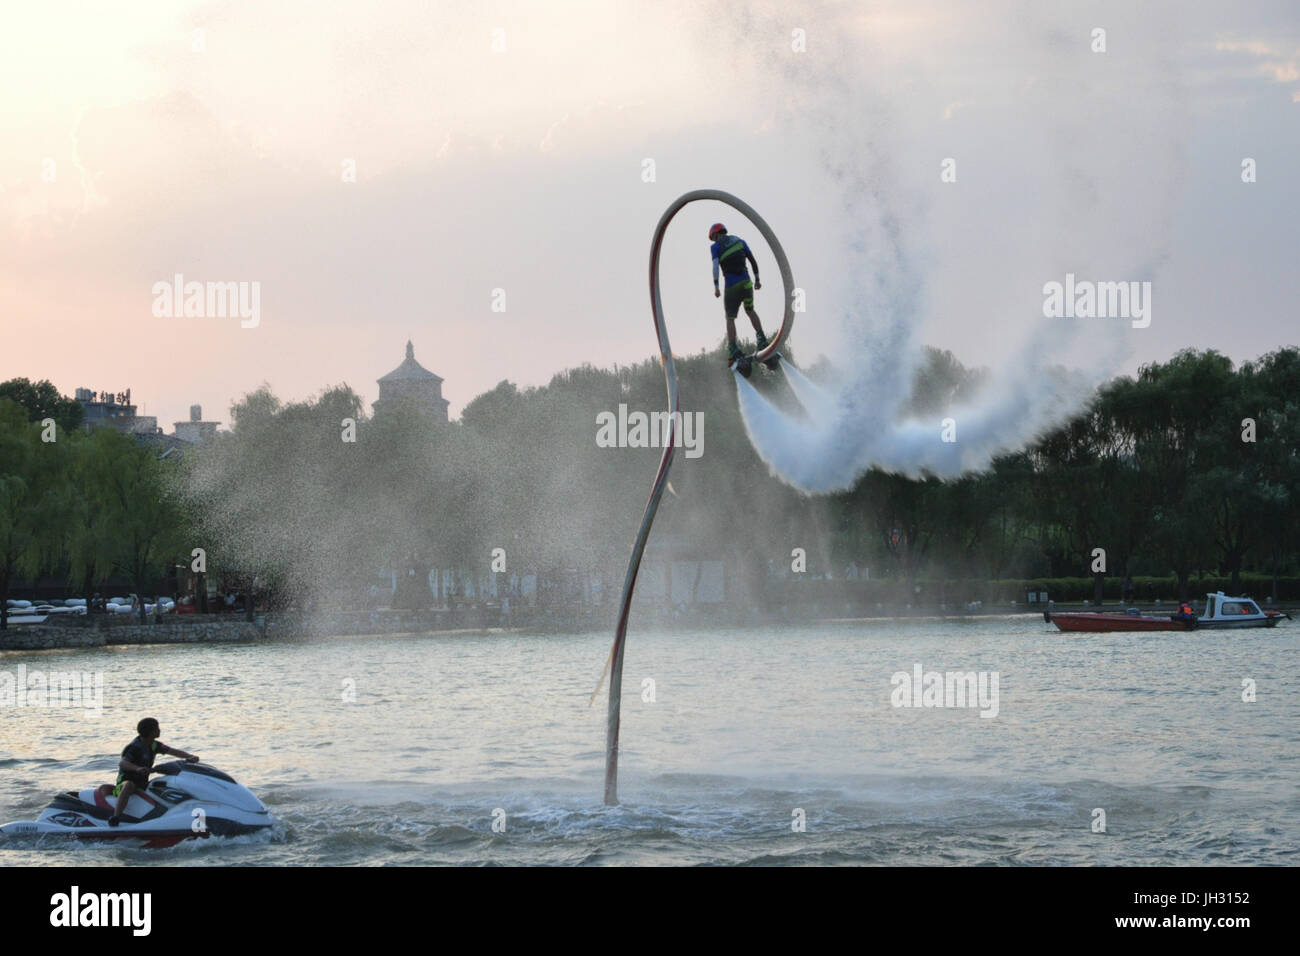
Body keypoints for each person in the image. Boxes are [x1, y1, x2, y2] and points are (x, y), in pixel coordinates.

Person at [109, 717, 199, 826]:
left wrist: (190, 756)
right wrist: (137, 768)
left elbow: (173, 751)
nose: (159, 730)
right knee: (129, 785)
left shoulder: (154, 744)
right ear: (151, 732)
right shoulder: (134, 747)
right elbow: (123, 763)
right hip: (123, 786)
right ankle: (116, 817)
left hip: (142, 784)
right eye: (157, 728)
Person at [708, 223, 771, 366]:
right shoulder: (740, 241)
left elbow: (715, 267)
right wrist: (757, 280)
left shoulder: (715, 247)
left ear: (716, 234)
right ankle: (762, 339)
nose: (714, 240)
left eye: (713, 237)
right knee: (750, 310)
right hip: (747, 284)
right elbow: (753, 260)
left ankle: (733, 349)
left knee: (730, 318)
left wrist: (716, 286)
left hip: (732, 286)